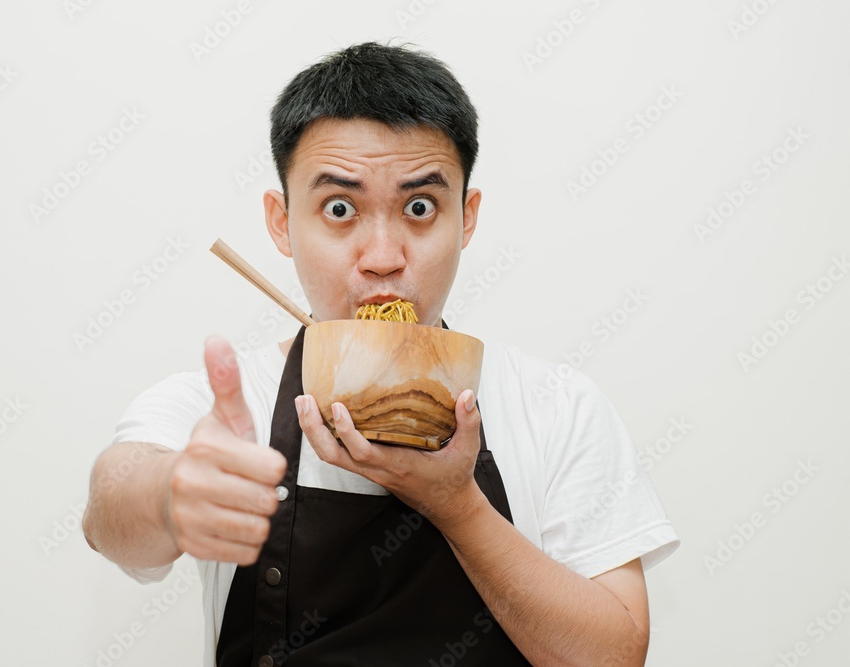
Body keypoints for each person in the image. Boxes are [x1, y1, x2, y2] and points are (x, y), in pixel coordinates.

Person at [83, 41, 679, 666]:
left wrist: (456, 506)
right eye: (339, 209)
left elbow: (612, 658)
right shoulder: (229, 405)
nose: (384, 258)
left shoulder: (557, 406)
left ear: (466, 218)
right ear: (282, 222)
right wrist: (170, 495)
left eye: (420, 207)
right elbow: (109, 515)